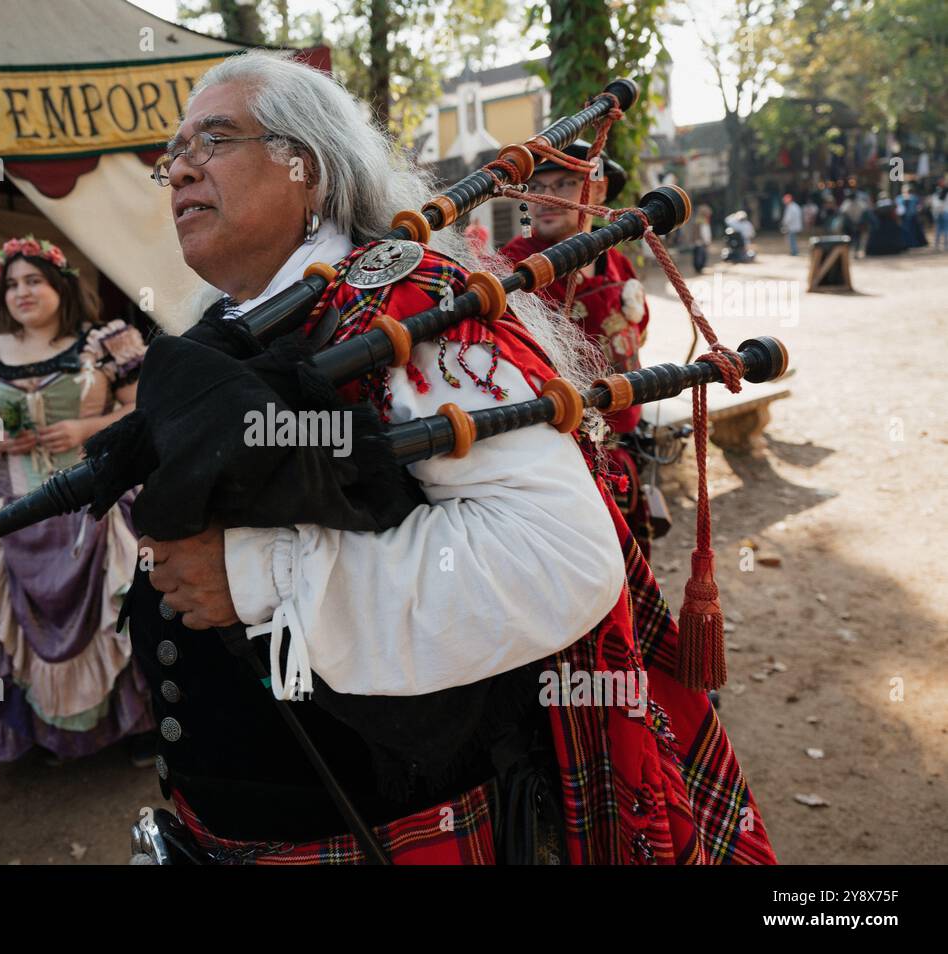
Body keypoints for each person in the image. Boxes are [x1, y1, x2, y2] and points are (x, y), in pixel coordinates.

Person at [132, 50, 775, 865]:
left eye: (213, 141)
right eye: (173, 155)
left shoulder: (410, 304)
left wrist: (258, 577)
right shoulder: (223, 326)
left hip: (396, 829)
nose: (181, 169)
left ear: (312, 167)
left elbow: (556, 558)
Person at [0, 236, 155, 764]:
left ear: (60, 284)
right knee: (21, 627)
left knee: (121, 616)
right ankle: (37, 735)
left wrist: (86, 426)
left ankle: (132, 727)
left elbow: (142, 407)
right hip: (15, 511)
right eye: (11, 284)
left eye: (34, 280)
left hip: (97, 505)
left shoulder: (108, 341)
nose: (22, 292)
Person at [499, 140, 655, 556]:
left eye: (566, 183)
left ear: (599, 191)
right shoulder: (511, 272)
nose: (548, 197)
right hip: (557, 468)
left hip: (622, 455)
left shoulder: (615, 259)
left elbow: (637, 333)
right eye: (539, 185)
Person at [692, 204, 713, 274]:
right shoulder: (700, 221)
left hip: (702, 241)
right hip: (700, 242)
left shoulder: (702, 220)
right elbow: (702, 232)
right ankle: (698, 269)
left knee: (702, 256)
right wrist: (705, 241)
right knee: (699, 257)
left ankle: (700, 268)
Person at [931, 183, 948, 252]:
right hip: (945, 213)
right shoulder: (946, 195)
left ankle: (936, 245)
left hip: (938, 214)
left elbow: (934, 205)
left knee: (938, 229)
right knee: (946, 229)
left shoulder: (935, 196)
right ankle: (945, 245)